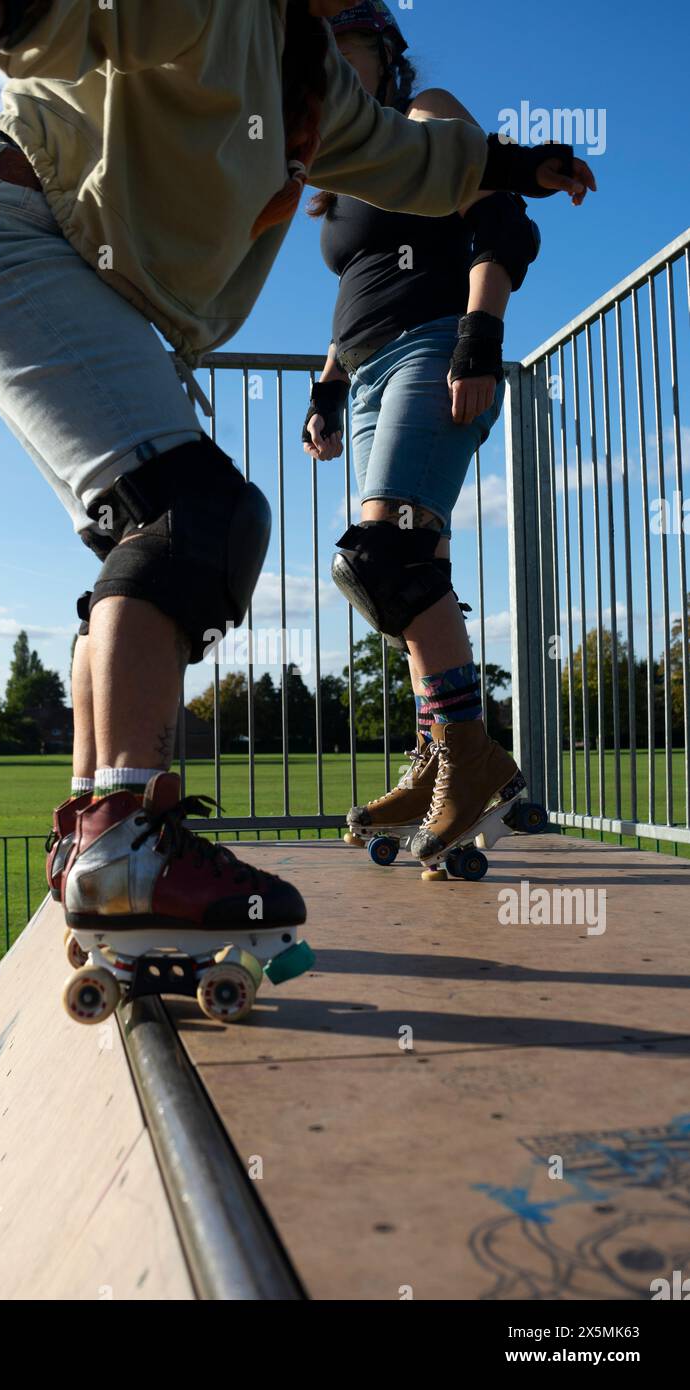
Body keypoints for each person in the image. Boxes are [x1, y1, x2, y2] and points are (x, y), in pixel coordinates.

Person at [0, 0, 594, 942]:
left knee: (148, 539)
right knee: (193, 519)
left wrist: (519, 165)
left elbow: (427, 165)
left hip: (51, 269)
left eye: (359, 53)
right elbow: (104, 19)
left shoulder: (323, 103)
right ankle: (126, 841)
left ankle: (91, 831)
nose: (345, 72)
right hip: (20, 235)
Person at [302, 2, 557, 875]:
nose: (331, 59)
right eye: (318, 47)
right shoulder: (338, 156)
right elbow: (363, 278)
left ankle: (469, 756)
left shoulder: (427, 115)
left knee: (385, 557)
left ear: (384, 49)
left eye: (346, 41)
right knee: (415, 575)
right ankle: (440, 760)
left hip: (434, 344)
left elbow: (499, 224)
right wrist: (330, 386)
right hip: (369, 367)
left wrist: (478, 337)